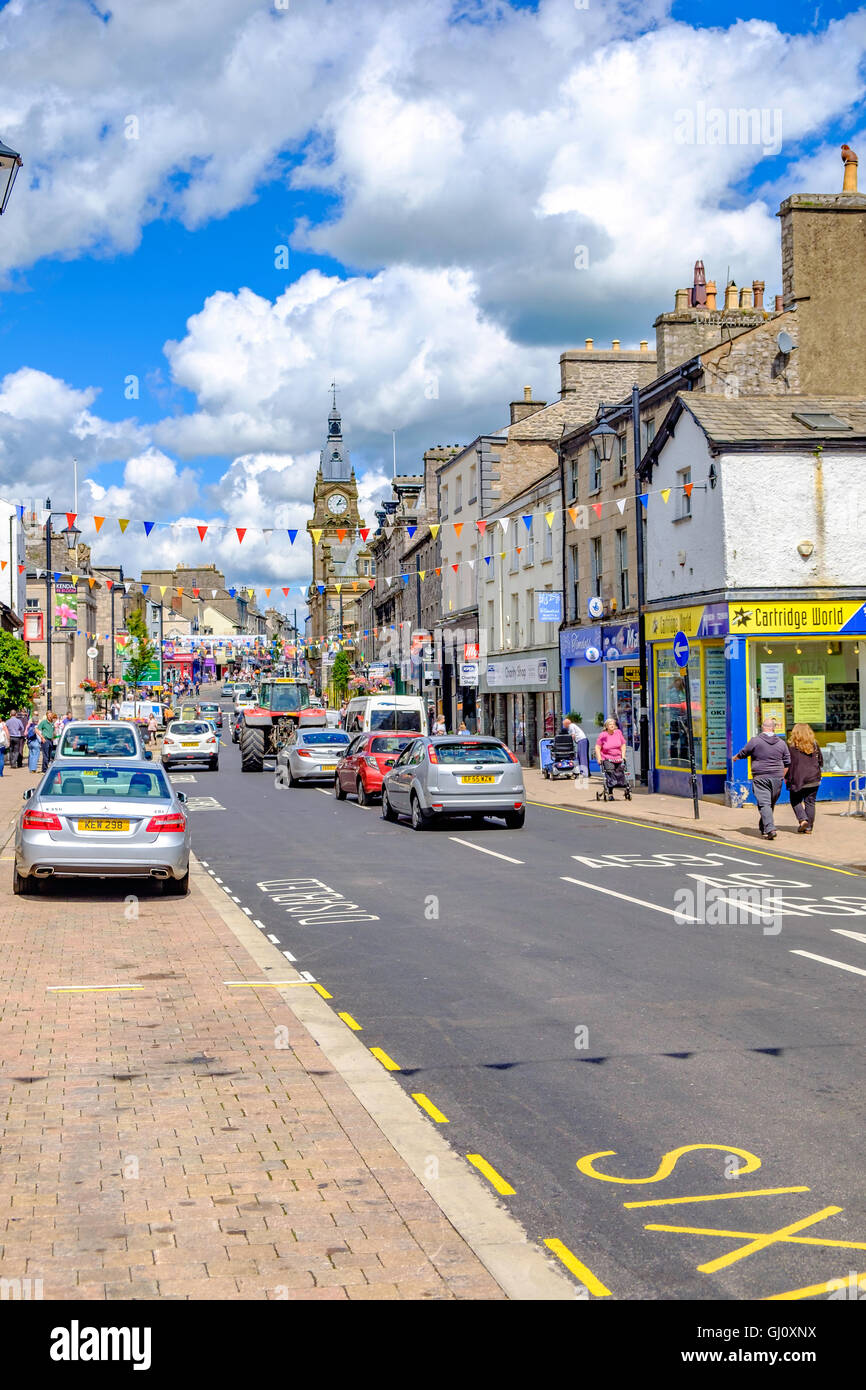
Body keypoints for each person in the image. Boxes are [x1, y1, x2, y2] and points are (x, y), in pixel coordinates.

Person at [734, 718, 791, 840]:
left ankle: (770, 829)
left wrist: (736, 757)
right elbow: (787, 762)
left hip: (761, 777)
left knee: (765, 804)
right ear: (773, 728)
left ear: (762, 727)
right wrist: (781, 776)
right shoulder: (782, 743)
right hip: (777, 778)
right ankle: (766, 827)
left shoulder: (756, 741)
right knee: (768, 804)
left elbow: (744, 752)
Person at [786, 723, 823, 834]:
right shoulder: (815, 744)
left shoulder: (791, 746)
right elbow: (821, 761)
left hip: (797, 778)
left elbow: (787, 762)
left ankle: (803, 820)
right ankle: (808, 828)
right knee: (810, 802)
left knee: (795, 800)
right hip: (814, 777)